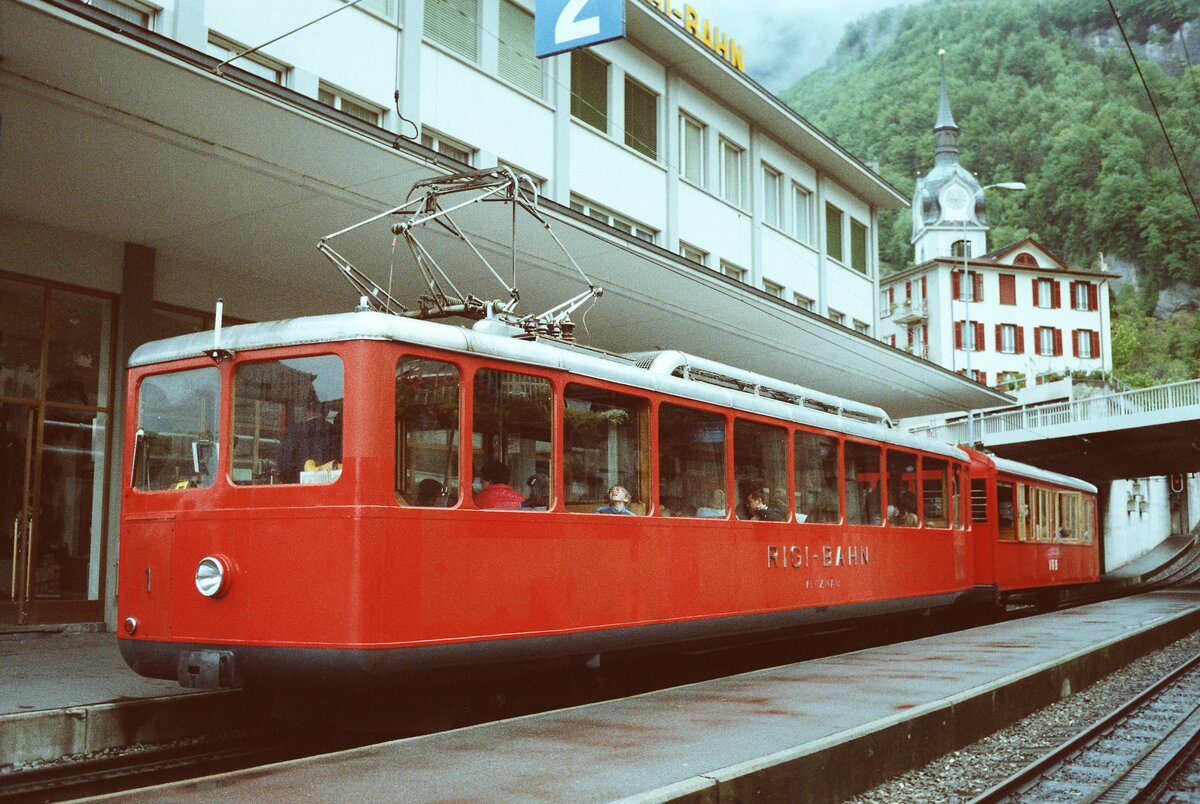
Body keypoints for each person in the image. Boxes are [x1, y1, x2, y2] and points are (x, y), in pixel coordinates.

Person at [278, 393, 340, 483]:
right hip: (332, 490)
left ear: (306, 410)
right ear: (326, 411)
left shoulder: (293, 431)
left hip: (299, 491)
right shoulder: (337, 431)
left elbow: (283, 468)